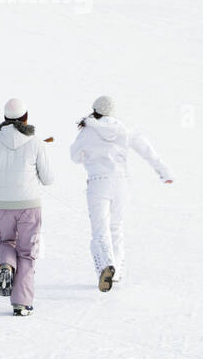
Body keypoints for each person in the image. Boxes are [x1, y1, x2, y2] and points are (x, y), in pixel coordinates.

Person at [69, 95, 172, 292]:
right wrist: (164, 171)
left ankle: (106, 265)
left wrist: (87, 156)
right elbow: (145, 149)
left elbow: (75, 156)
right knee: (116, 228)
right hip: (121, 183)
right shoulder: (123, 130)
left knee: (100, 231)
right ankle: (115, 274)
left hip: (99, 182)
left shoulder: (88, 130)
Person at [0, 98, 54, 316]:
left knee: (6, 242)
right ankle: (21, 303)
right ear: (26, 118)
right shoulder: (36, 142)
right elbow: (48, 178)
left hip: (2, 204)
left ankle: (5, 265)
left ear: (4, 118)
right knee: (27, 252)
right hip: (29, 205)